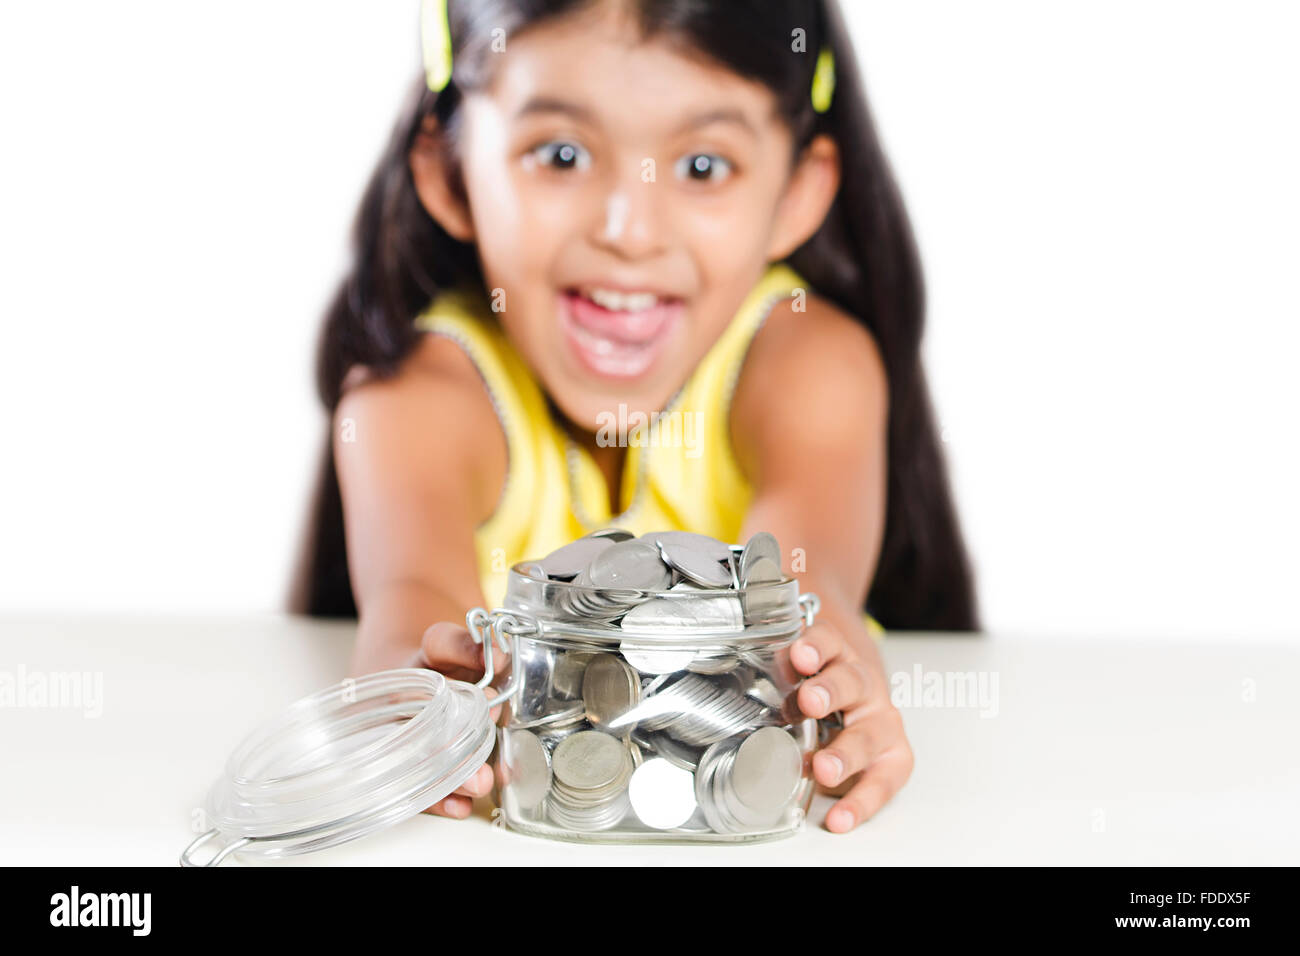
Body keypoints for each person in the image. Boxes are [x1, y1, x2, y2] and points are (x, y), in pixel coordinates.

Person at [290, 0, 978, 833]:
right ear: (448, 170)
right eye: (563, 154)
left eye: (702, 168)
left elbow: (808, 587)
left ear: (798, 193)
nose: (629, 230)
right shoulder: (412, 400)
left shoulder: (809, 362)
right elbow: (412, 613)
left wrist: (828, 674)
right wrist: (428, 699)